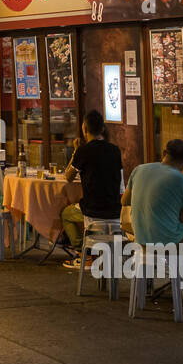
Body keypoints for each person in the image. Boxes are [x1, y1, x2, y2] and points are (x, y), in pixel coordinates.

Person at [124, 138, 183, 311]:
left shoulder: (139, 169)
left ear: (163, 154)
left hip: (140, 238)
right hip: (168, 243)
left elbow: (125, 200)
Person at [61, 109, 123, 269]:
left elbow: (68, 176)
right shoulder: (115, 150)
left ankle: (84, 254)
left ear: (84, 128)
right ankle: (94, 254)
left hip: (93, 210)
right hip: (116, 211)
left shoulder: (84, 150)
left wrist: (75, 151)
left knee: (66, 214)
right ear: (102, 129)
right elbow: (121, 181)